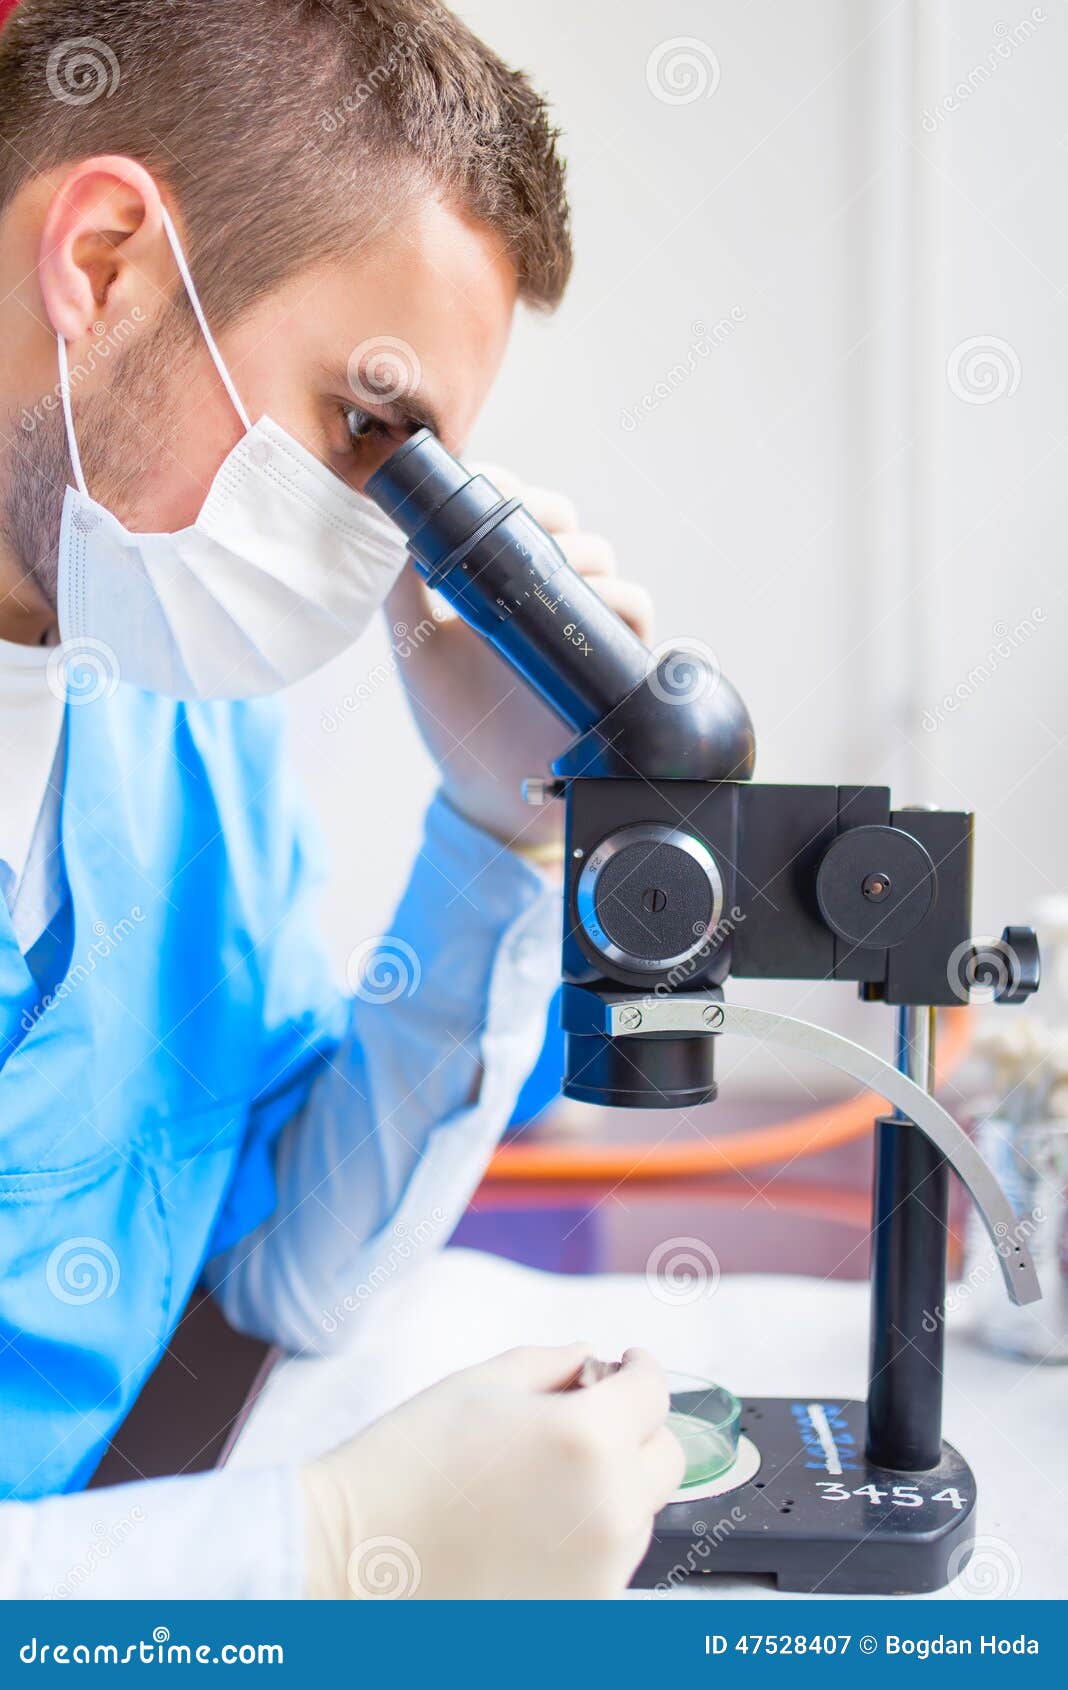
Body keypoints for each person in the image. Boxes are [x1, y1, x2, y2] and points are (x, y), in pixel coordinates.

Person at [0, 0, 680, 1599]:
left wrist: (500, 827)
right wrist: (313, 1550)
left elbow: (291, 1262)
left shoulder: (167, 711)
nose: (383, 534)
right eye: (365, 431)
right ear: (101, 264)